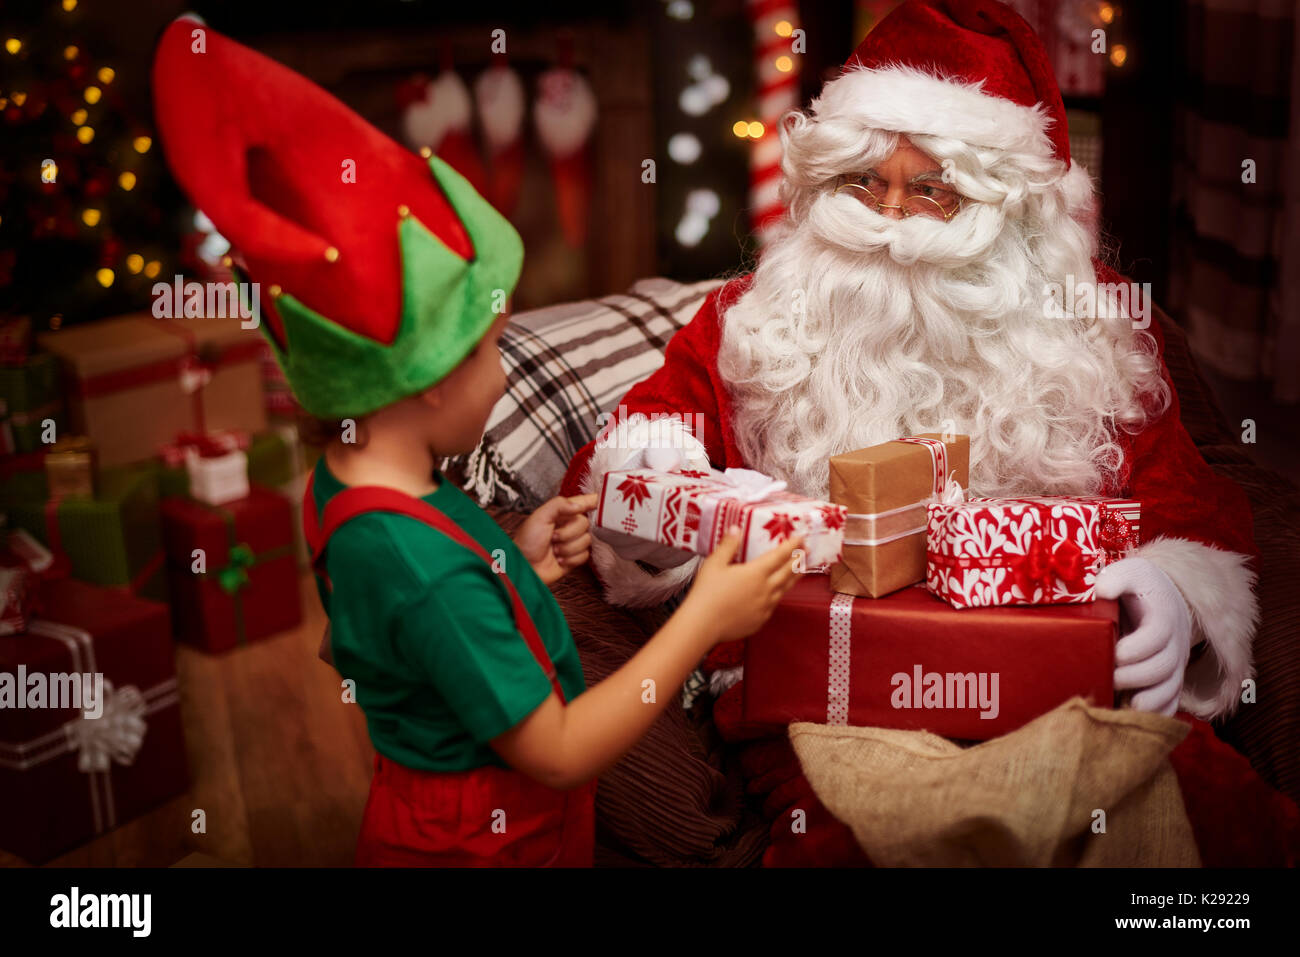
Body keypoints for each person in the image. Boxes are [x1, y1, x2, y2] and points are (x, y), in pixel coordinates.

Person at [151, 15, 803, 867]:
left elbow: (424, 638)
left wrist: (514, 559)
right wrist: (705, 618)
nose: (506, 370)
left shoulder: (352, 485)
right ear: (423, 380)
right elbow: (560, 747)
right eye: (489, 347)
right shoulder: (427, 571)